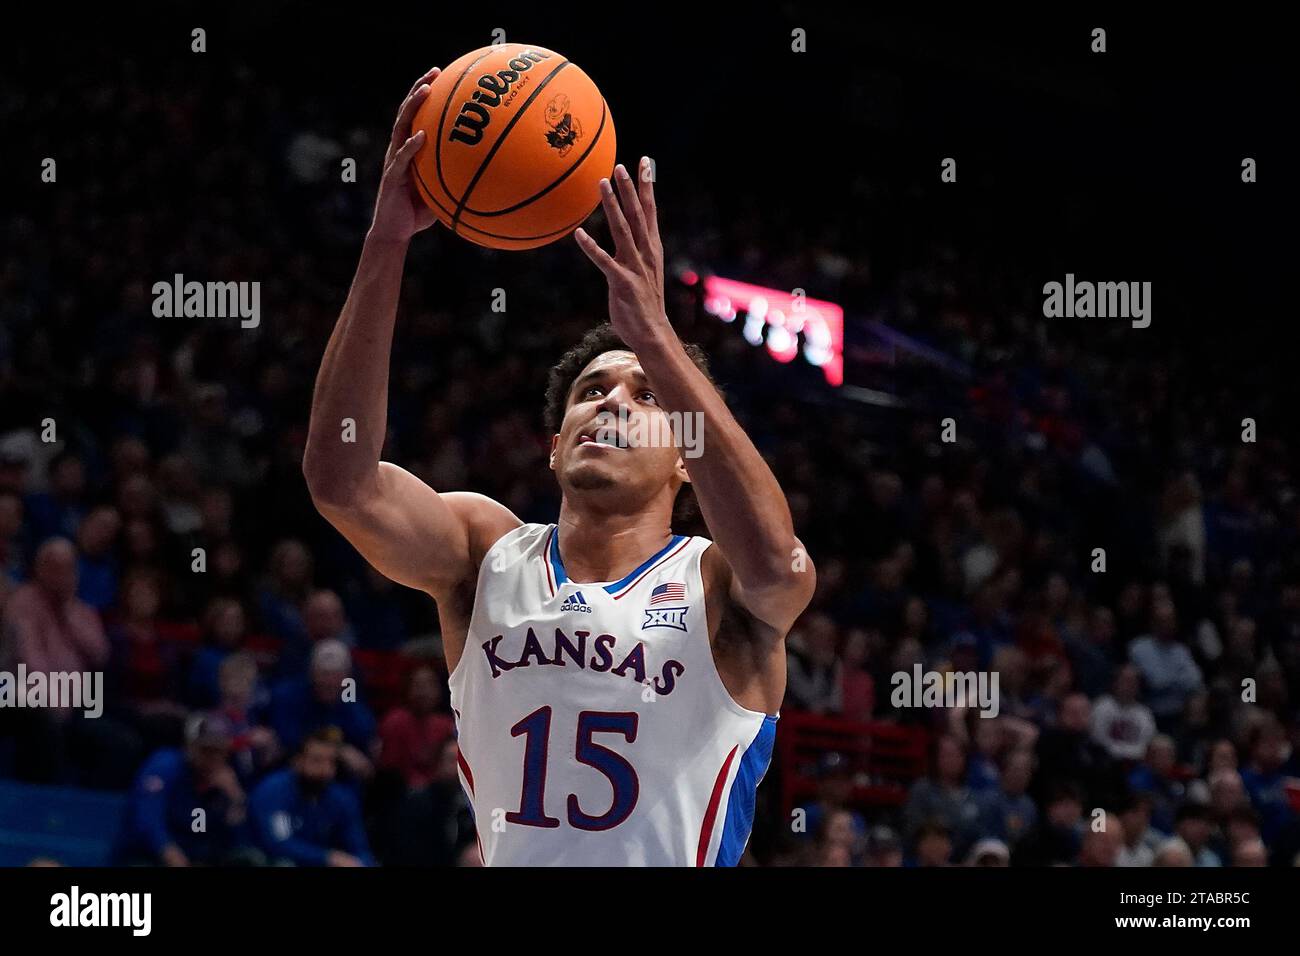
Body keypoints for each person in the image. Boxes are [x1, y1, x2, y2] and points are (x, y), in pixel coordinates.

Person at [302, 68, 815, 866]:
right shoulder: (484, 552)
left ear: (687, 453)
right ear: (553, 442)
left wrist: (656, 338)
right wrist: (386, 243)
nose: (610, 402)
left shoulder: (720, 586)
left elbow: (781, 565)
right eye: (590, 390)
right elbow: (341, 481)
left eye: (644, 394)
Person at [115, 713, 252, 866]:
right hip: (148, 857)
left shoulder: (224, 783)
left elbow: (235, 840)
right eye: (206, 750)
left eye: (219, 751)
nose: (213, 758)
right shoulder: (165, 765)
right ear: (189, 746)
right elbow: (148, 820)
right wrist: (170, 854)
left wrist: (236, 799)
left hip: (196, 858)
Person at [248, 727, 376, 867]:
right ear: (298, 761)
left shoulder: (341, 798)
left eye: (331, 761)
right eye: (317, 760)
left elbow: (358, 846)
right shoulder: (274, 792)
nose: (325, 769)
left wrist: (362, 863)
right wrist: (327, 857)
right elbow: (279, 843)